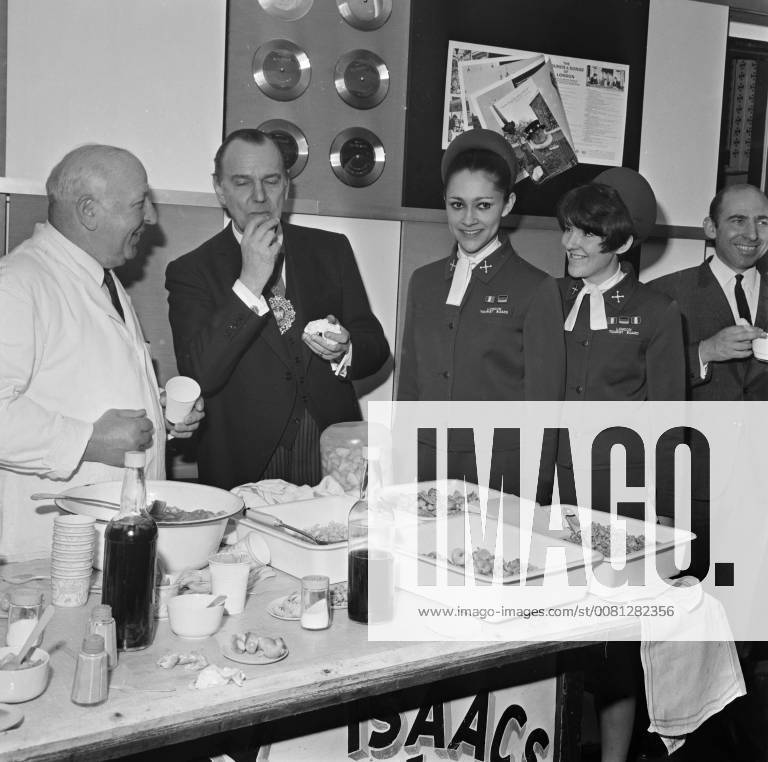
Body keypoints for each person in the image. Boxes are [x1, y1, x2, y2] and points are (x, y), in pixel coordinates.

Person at [0, 144, 204, 562]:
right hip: (55, 552)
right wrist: (88, 440)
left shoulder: (102, 279)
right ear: (89, 212)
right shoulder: (18, 283)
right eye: (139, 203)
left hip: (112, 540)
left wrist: (159, 415)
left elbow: (81, 386)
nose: (151, 216)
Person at [165, 129, 389, 490]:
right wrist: (249, 282)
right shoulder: (191, 271)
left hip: (332, 454)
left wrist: (345, 350)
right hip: (244, 462)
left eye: (270, 181)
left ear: (286, 185)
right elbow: (200, 373)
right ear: (219, 189)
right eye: (242, 182)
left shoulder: (331, 249)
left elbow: (376, 347)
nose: (259, 196)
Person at [555, 179, 685, 762]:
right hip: (554, 494)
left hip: (620, 502)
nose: (571, 242)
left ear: (623, 242)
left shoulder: (657, 312)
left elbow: (670, 423)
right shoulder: (553, 298)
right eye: (569, 228)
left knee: (615, 650)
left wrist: (664, 516)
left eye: (588, 233)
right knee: (553, 636)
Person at [650, 183, 768, 761]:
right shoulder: (667, 295)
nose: (751, 233)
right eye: (738, 220)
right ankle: (680, 738)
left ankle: (733, 738)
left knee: (747, 617)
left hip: (759, 486)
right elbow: (642, 384)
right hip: (693, 485)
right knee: (688, 621)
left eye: (762, 222)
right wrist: (703, 352)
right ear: (710, 228)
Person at [397, 128, 564, 499]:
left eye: (483, 205)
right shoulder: (423, 282)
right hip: (426, 465)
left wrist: (535, 496)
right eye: (457, 205)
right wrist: (400, 463)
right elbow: (408, 386)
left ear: (507, 204)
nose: (468, 219)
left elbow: (544, 406)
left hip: (498, 471)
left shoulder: (536, 288)